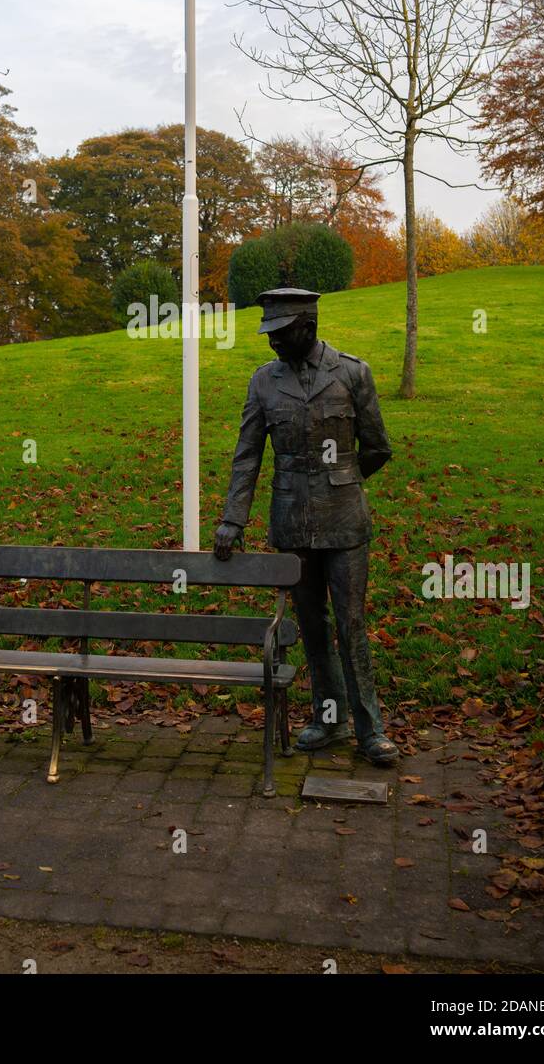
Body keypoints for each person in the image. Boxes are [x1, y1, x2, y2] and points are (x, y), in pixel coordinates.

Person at [213, 287, 398, 765]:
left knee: (350, 623)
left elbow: (377, 447)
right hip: (292, 521)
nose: (271, 342)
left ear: (307, 328)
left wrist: (342, 481)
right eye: (268, 333)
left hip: (345, 522)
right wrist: (234, 518)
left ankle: (370, 730)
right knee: (313, 626)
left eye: (280, 333)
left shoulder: (353, 374)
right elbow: (247, 456)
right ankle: (327, 718)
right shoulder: (263, 383)